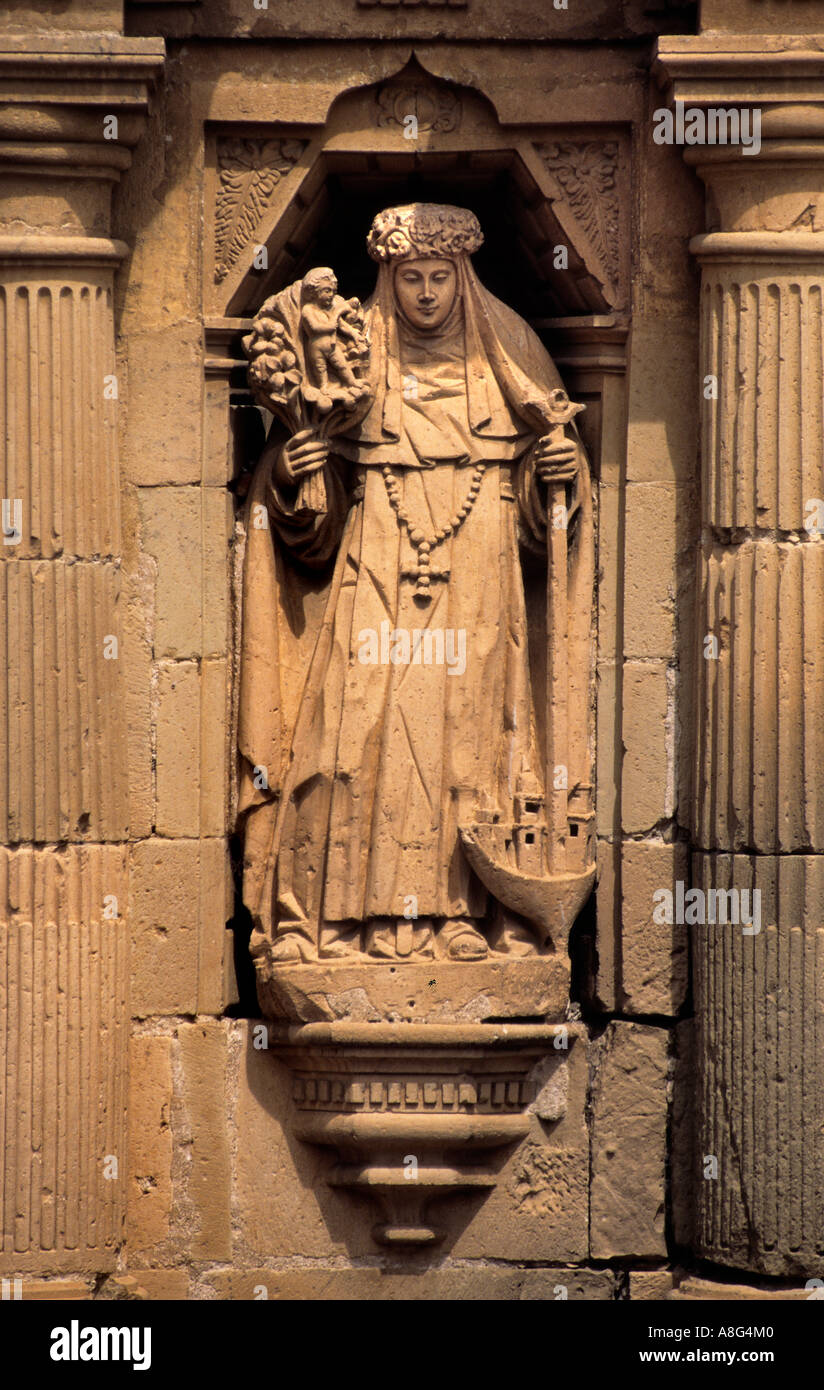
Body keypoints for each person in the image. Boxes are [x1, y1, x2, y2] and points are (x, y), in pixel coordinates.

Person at [237, 203, 590, 966]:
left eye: (438, 277)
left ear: (464, 280)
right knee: (352, 736)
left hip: (479, 566)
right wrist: (298, 479)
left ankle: (464, 919)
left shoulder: (513, 357)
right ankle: (335, 923)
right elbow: (303, 526)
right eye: (409, 278)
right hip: (376, 563)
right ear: (386, 281)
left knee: (467, 742)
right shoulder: (351, 365)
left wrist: (551, 478)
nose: (425, 293)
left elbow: (552, 490)